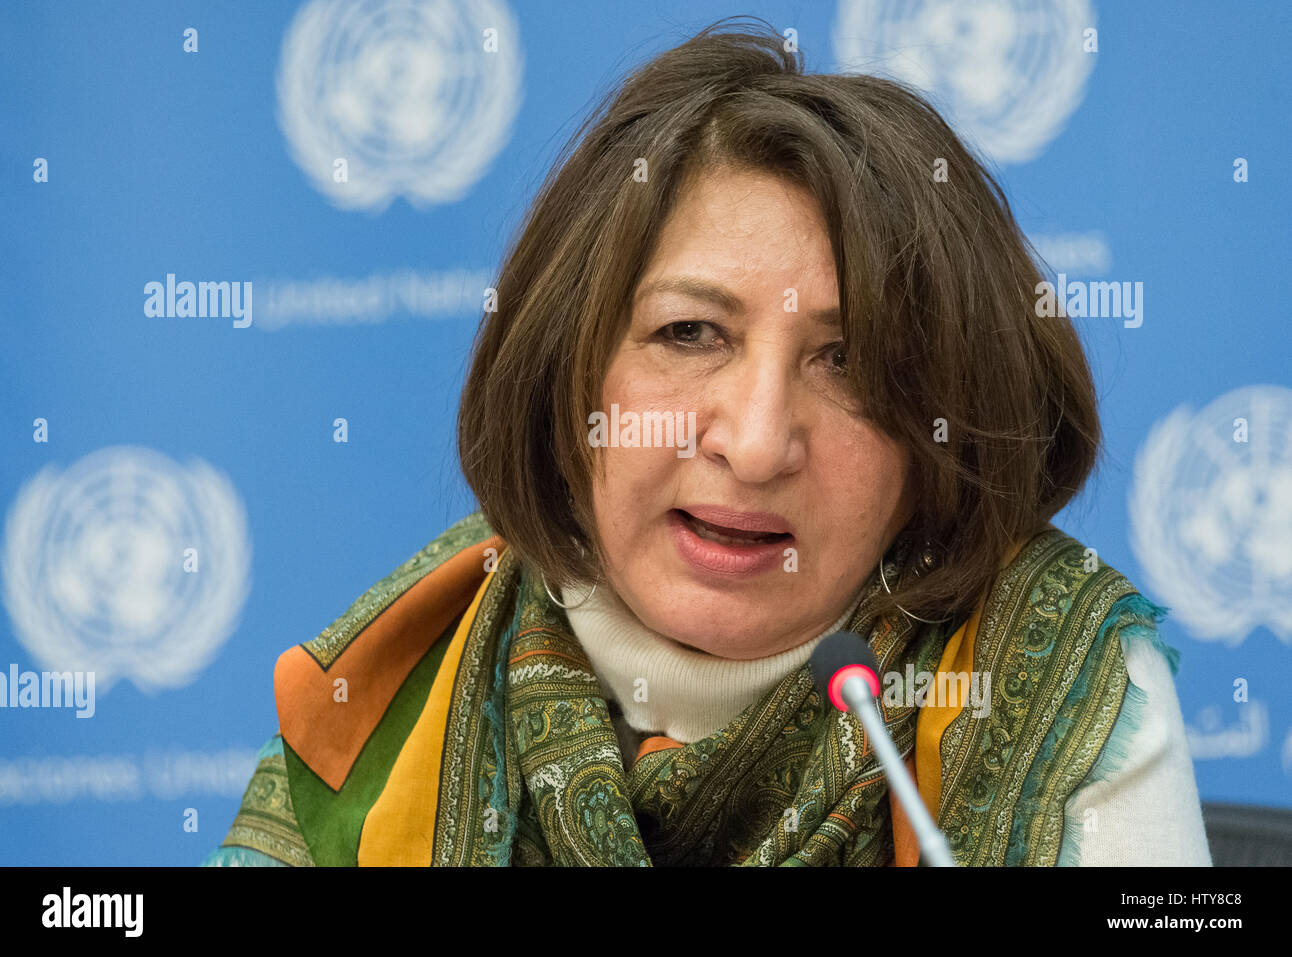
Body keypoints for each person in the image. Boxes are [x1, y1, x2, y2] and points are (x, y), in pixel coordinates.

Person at [203, 19, 1210, 867]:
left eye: (850, 363)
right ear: (567, 371)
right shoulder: (401, 675)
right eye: (690, 334)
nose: (758, 442)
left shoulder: (1056, 676)